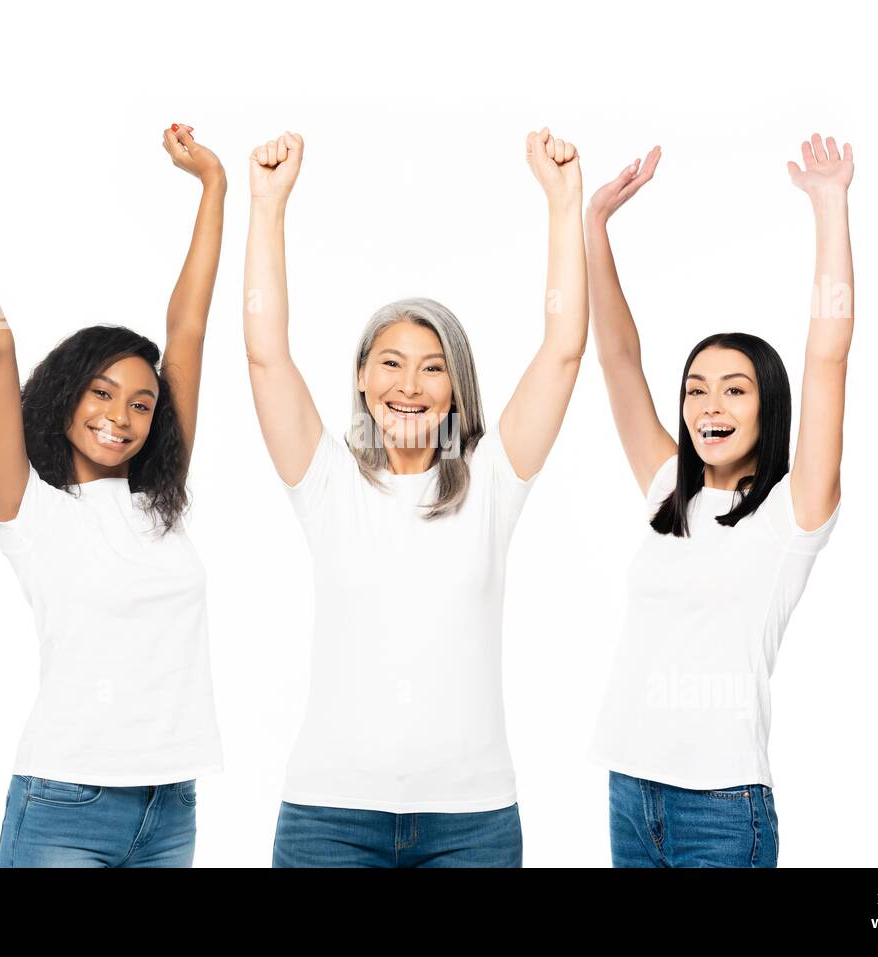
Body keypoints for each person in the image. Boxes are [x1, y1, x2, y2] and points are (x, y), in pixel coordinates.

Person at [244, 128, 588, 867]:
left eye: (433, 368)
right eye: (392, 363)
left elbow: (563, 349)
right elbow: (266, 351)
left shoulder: (493, 482)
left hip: (471, 825)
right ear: (363, 377)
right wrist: (267, 205)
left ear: (457, 386)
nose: (409, 384)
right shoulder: (328, 482)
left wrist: (564, 205)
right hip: (329, 819)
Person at [0, 122, 227, 867]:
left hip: (171, 806)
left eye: (142, 403)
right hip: (64, 806)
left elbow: (189, 327)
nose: (121, 415)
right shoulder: (29, 508)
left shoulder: (159, 504)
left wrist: (214, 187)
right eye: (102, 392)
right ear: (65, 396)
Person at [585, 133, 853, 867]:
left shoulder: (791, 515)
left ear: (767, 406)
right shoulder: (667, 490)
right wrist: (594, 227)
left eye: (734, 389)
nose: (709, 403)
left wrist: (830, 206)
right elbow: (616, 357)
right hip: (630, 791)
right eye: (696, 388)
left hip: (723, 812)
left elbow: (828, 355)